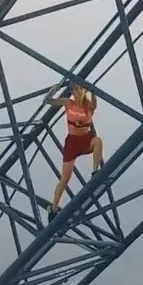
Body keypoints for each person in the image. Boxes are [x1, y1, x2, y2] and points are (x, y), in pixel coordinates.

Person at [43, 81, 104, 223]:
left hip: (85, 139)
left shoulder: (89, 105)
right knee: (65, 177)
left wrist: (93, 91)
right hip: (72, 142)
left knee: (98, 142)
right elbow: (48, 102)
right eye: (75, 90)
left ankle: (95, 171)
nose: (78, 93)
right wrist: (53, 89)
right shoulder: (68, 103)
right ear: (72, 92)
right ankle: (53, 208)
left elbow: (95, 104)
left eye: (80, 90)